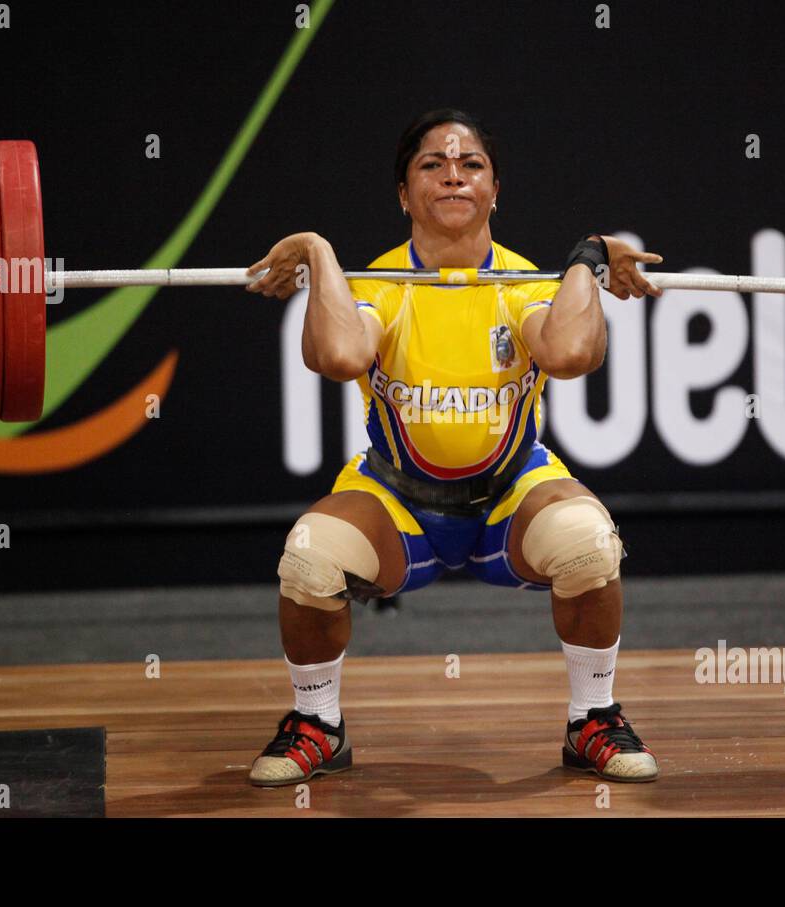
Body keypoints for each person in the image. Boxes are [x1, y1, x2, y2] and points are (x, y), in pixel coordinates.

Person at [243, 108, 664, 786]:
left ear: (495, 191)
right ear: (405, 195)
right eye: (432, 164)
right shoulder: (382, 282)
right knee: (309, 559)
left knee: (589, 541)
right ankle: (318, 723)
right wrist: (320, 253)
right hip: (398, 500)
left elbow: (569, 351)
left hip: (510, 497)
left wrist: (585, 260)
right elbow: (338, 353)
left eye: (471, 165)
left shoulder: (520, 283)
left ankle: (592, 717)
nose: (453, 174)